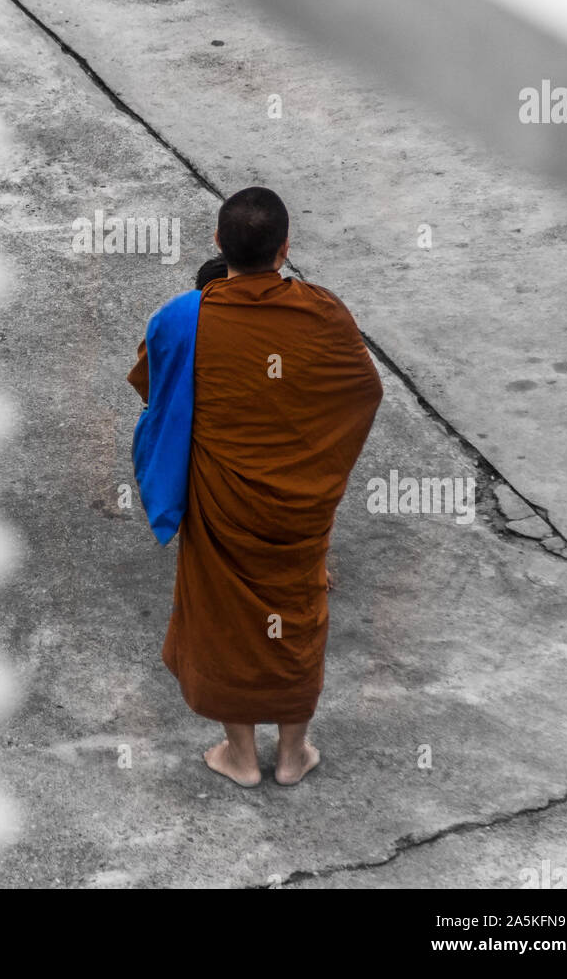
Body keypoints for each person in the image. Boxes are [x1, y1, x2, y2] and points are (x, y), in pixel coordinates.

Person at [127, 187, 383, 787]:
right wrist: (317, 461)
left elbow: (154, 390)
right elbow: (363, 392)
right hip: (299, 501)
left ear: (218, 244)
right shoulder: (325, 313)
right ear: (285, 249)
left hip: (222, 497)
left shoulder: (181, 318)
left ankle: (239, 757)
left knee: (223, 619)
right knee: (295, 614)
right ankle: (294, 755)